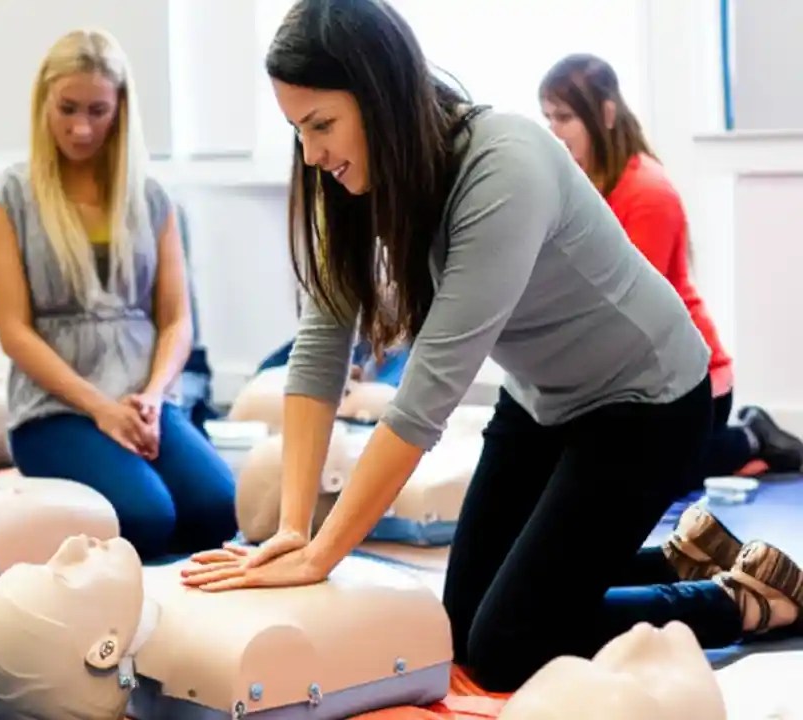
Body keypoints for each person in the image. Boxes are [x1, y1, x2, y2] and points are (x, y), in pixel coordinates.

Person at [180, 0, 803, 693]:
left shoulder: (503, 165)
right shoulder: (353, 177)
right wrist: (292, 531)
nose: (311, 153)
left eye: (321, 125)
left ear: (381, 97)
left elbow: (425, 400)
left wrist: (322, 555)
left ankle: (737, 601)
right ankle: (678, 557)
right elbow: (320, 347)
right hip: (541, 401)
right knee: (463, 622)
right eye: (298, 129)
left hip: (646, 404)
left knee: (509, 645)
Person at [0, 28, 237, 561]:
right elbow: (14, 332)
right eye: (68, 109)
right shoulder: (7, 197)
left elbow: (177, 321)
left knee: (217, 507)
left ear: (121, 108)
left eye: (98, 111)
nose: (81, 127)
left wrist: (153, 396)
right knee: (146, 516)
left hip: (141, 401)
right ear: (44, 102)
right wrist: (99, 409)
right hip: (54, 409)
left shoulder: (153, 197)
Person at [539, 53, 803, 483]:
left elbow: (625, 313)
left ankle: (751, 439)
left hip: (691, 378)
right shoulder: (583, 186)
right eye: (548, 118)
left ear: (606, 114)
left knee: (629, 477)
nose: (554, 132)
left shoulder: (648, 193)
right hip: (634, 373)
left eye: (565, 118)